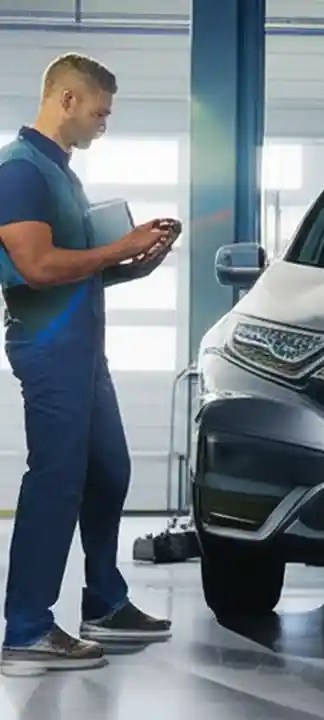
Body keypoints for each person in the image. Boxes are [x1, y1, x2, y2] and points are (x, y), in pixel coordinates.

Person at [0, 53, 180, 677]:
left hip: (82, 349)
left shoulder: (62, 175)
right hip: (48, 350)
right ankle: (25, 628)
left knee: (109, 470)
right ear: (66, 101)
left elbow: (76, 274)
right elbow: (36, 269)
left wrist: (136, 262)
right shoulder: (20, 171)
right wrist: (117, 247)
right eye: (99, 113)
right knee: (56, 478)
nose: (104, 125)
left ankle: (104, 602)